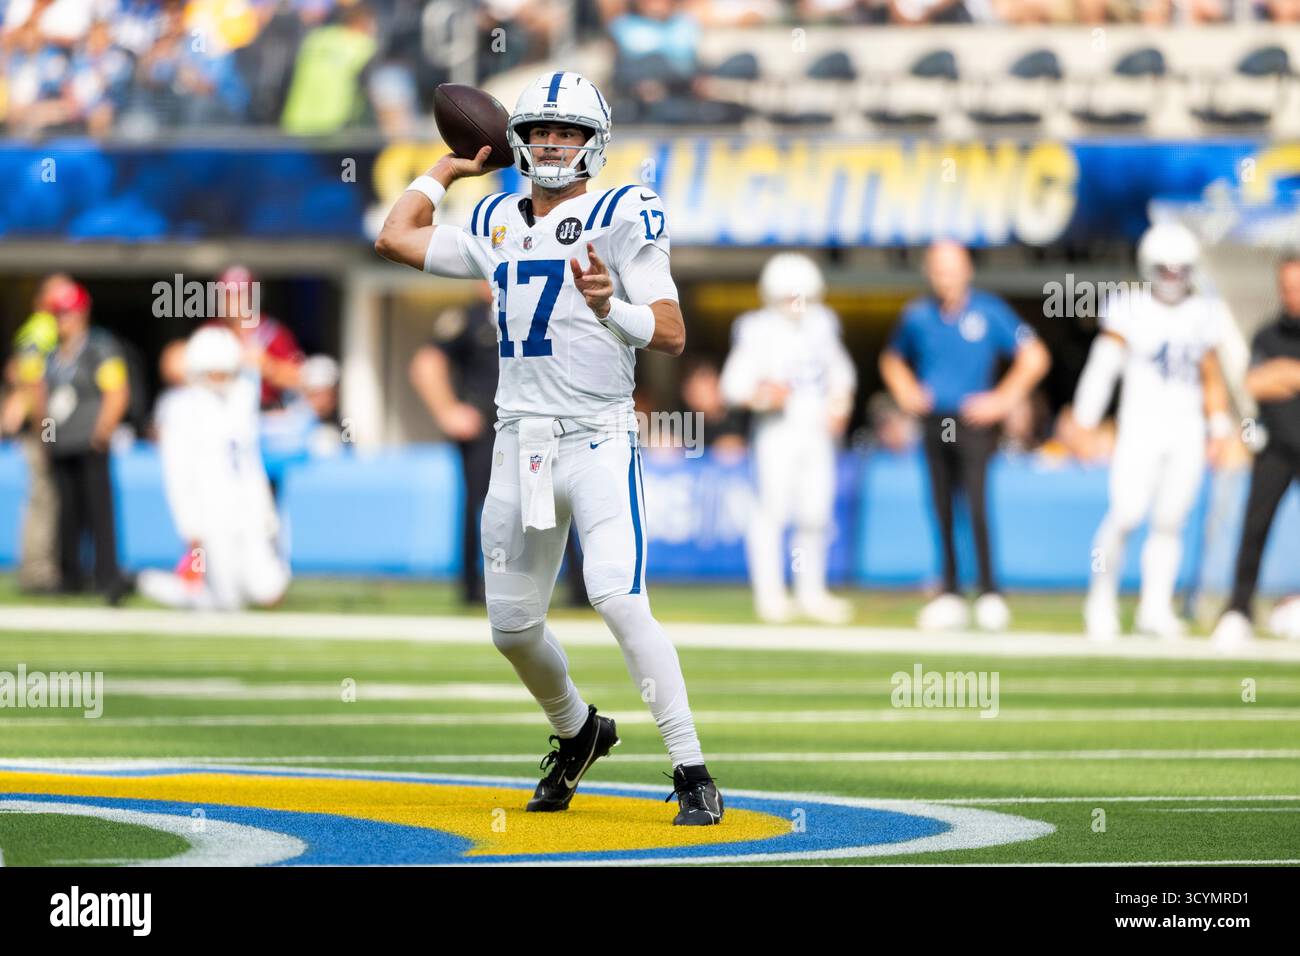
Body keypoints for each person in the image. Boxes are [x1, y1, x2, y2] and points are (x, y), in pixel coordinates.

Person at [375, 71, 721, 825]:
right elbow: (394, 236)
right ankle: (579, 731)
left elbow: (671, 332)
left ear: (593, 144)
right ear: (517, 140)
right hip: (516, 445)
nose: (552, 143)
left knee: (618, 599)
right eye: (538, 131)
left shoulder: (625, 210)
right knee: (511, 629)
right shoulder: (497, 214)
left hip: (597, 438)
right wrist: (445, 167)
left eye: (566, 132)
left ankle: (692, 768)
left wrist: (609, 306)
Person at [1073, 222, 1233, 641]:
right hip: (1140, 427)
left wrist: (1218, 426)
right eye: (1166, 269)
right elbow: (1103, 367)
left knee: (1169, 521)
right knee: (1126, 514)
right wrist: (1085, 420)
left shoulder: (1203, 311)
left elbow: (1210, 373)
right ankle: (1100, 598)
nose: (1174, 278)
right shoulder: (1129, 306)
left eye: (1181, 270)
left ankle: (1155, 608)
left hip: (1186, 429)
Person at [880, 240, 1050, 632]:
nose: (945, 275)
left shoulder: (989, 311)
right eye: (938, 267)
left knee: (975, 504)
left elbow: (1035, 356)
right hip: (935, 419)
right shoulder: (917, 315)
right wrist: (906, 390)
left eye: (952, 267)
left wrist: (1002, 399)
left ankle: (990, 591)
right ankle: (950, 592)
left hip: (973, 423)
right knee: (940, 506)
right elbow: (891, 358)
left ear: (967, 269)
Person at [409, 286, 590, 608]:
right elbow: (427, 363)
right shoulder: (468, 318)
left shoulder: (538, 314)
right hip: (485, 430)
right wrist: (447, 411)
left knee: (554, 500)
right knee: (479, 507)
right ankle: (472, 590)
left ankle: (578, 590)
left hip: (534, 425)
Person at [719, 252, 856, 624]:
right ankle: (771, 594)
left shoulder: (823, 324)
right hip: (777, 431)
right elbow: (732, 387)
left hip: (816, 432)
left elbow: (841, 373)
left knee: (815, 512)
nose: (796, 305)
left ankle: (811, 592)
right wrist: (765, 395)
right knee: (772, 511)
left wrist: (840, 405)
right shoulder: (756, 328)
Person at [137, 327, 290, 612]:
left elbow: (249, 462)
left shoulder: (241, 399)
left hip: (245, 507)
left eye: (226, 371)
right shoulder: (180, 408)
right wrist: (189, 525)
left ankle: (181, 587)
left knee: (268, 587)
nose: (222, 379)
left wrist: (265, 508)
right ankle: (156, 584)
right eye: (215, 372)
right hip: (211, 511)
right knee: (226, 600)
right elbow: (177, 474)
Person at [1211, 253, 1300, 646]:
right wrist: (1282, 375)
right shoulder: (1267, 335)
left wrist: (1285, 374)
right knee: (1254, 529)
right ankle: (1238, 609)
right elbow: (1254, 383)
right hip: (1276, 447)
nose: (1292, 295)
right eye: (1287, 288)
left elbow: (1275, 378)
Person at [40, 280, 133, 604]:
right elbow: (45, 398)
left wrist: (103, 429)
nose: (62, 320)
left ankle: (106, 575)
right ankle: (70, 575)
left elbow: (117, 390)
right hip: (62, 442)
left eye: (67, 313)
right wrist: (46, 438)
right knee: (66, 512)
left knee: (98, 512)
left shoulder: (99, 347)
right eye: (58, 314)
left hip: (90, 441)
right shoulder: (52, 354)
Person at [1, 274, 67, 593]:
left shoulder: (38, 327)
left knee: (45, 494)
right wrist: (47, 432)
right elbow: (32, 383)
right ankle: (38, 571)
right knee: (44, 494)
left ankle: (45, 566)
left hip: (44, 422)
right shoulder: (43, 327)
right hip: (44, 424)